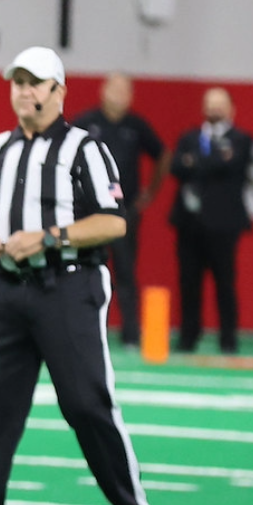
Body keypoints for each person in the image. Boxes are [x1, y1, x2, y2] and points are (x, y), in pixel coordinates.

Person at [0, 46, 157, 505]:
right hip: (6, 291)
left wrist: (49, 237)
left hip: (68, 286)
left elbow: (113, 222)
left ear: (59, 91)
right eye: (17, 82)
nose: (24, 91)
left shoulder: (84, 148)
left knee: (85, 402)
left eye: (34, 82)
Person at [71, 72, 167, 348]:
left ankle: (131, 335)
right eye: (115, 89)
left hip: (125, 211)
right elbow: (63, 154)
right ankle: (85, 331)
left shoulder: (136, 126)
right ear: (103, 91)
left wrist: (149, 193)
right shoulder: (85, 123)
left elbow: (162, 154)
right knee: (86, 269)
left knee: (125, 272)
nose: (119, 96)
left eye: (125, 91)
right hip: (89, 212)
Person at [168, 87, 253, 354]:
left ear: (231, 109)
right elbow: (176, 167)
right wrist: (210, 160)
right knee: (189, 283)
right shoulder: (189, 137)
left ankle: (228, 339)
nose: (214, 108)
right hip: (189, 224)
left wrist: (195, 161)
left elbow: (230, 165)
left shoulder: (241, 139)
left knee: (225, 283)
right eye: (210, 103)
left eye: (220, 104)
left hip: (224, 224)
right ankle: (188, 337)